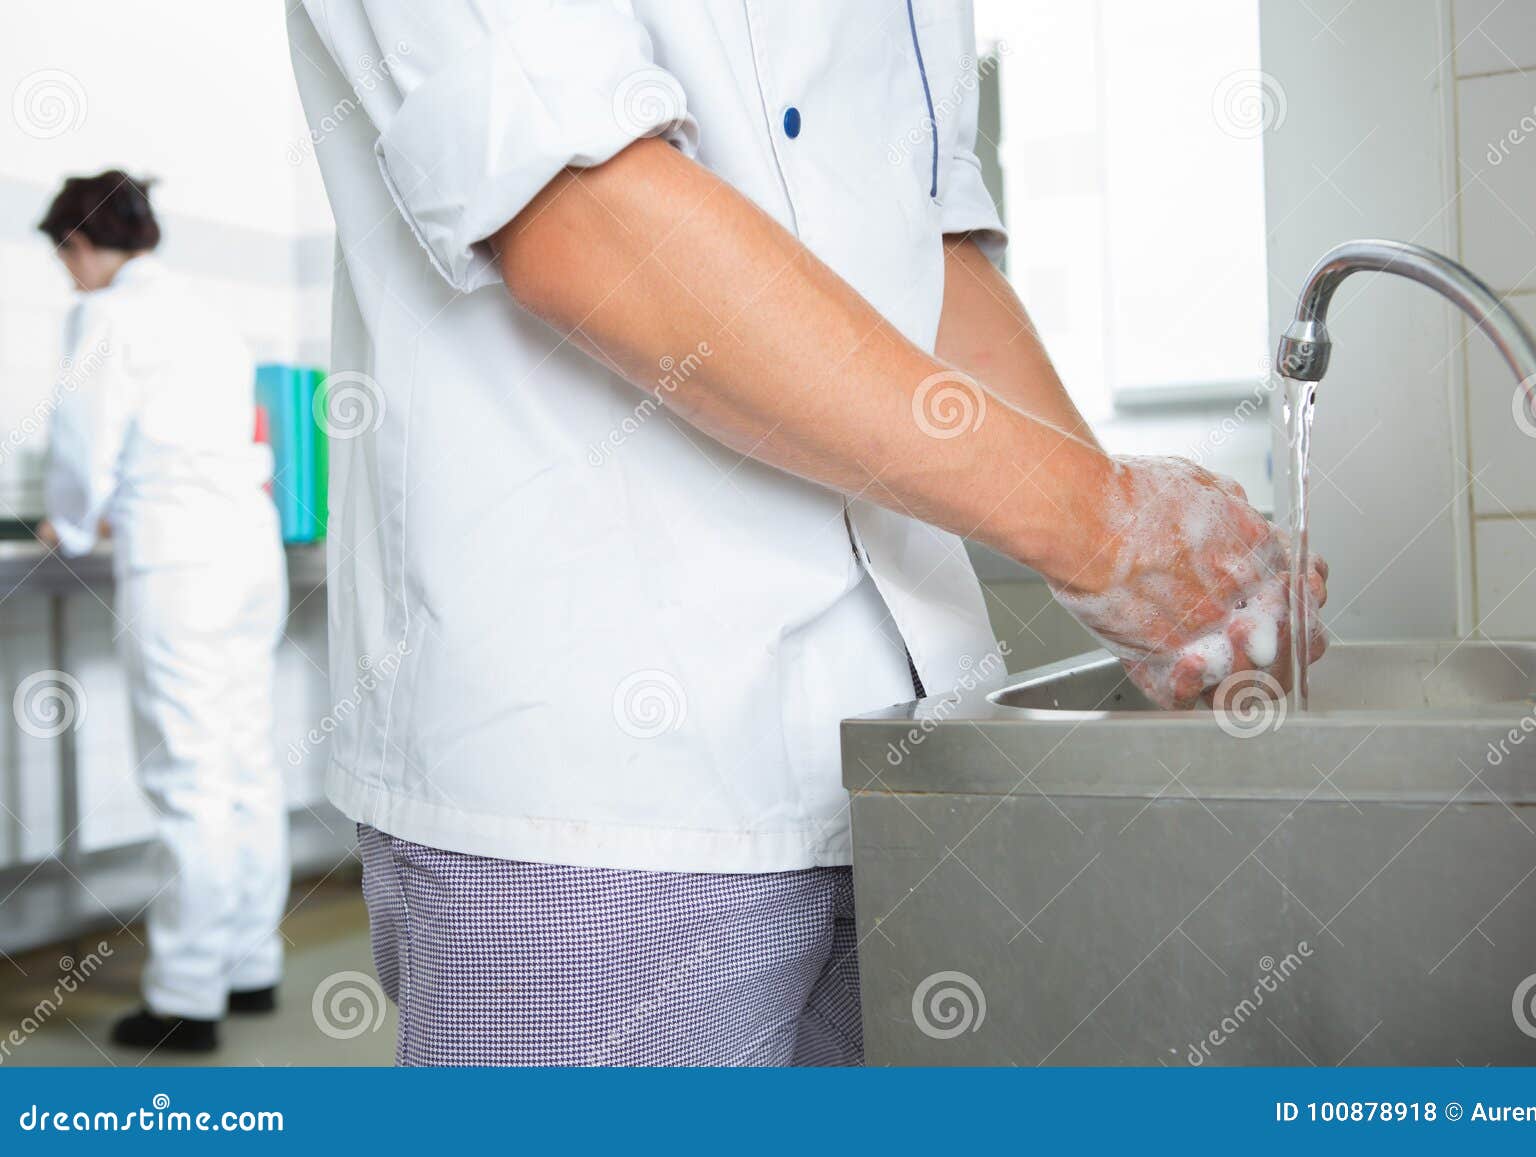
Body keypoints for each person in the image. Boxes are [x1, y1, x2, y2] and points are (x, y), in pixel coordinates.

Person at [288, 0, 1327, 1066]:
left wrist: (1177, 581)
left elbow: (926, 255)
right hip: (606, 778)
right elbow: (585, 218)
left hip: (906, 743)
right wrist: (1098, 528)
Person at [37, 171, 289, 1053]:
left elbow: (79, 444)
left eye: (65, 256)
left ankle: (187, 996)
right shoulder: (206, 314)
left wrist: (68, 520)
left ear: (79, 243)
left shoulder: (106, 316)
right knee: (245, 763)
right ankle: (250, 966)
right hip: (250, 553)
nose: (69, 275)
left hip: (179, 563)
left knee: (188, 777)